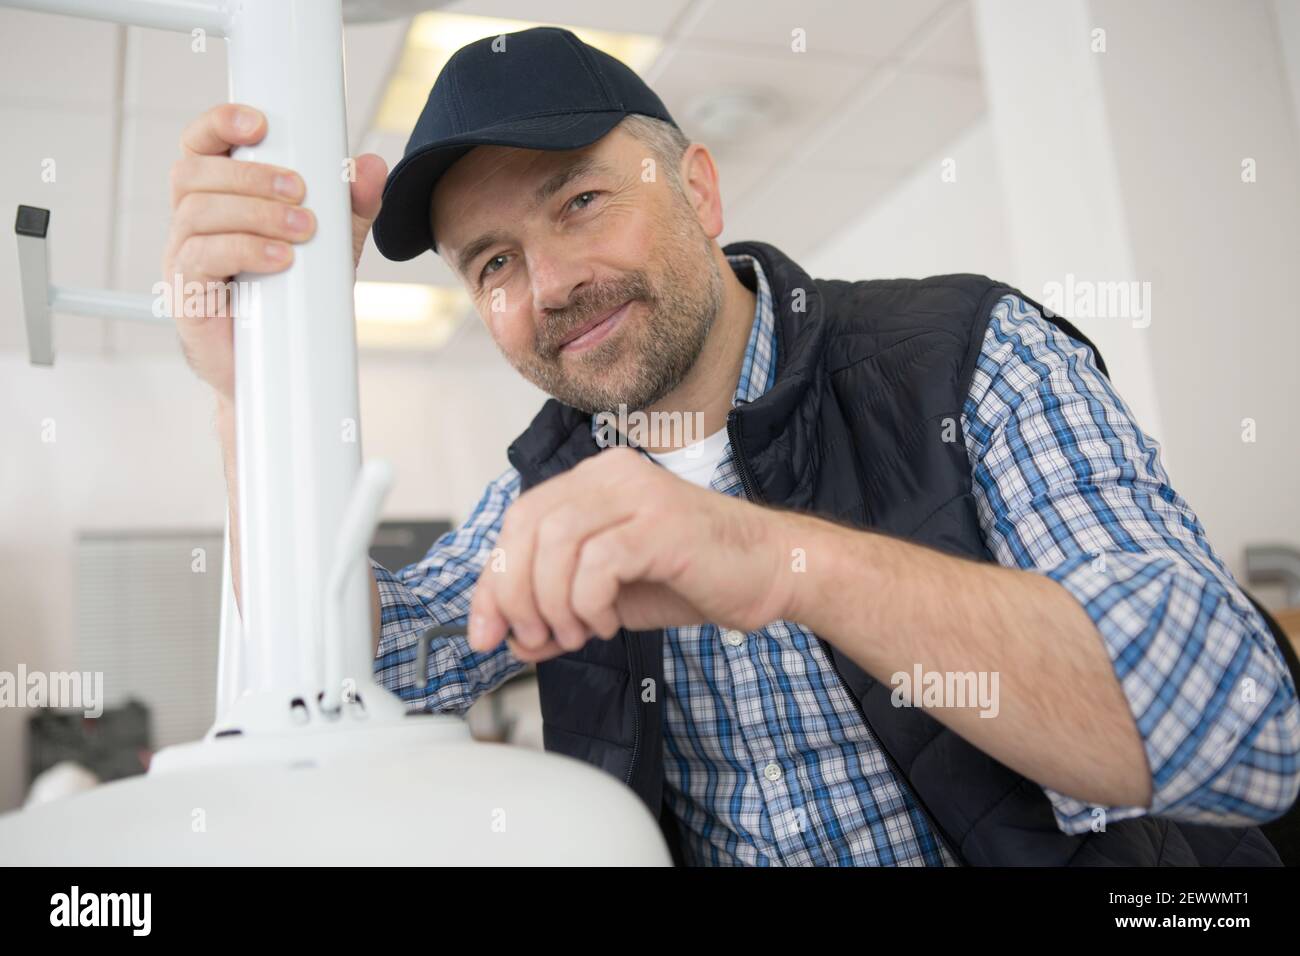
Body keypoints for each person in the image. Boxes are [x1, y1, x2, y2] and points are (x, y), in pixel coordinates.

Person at [162, 27, 1299, 866]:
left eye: (580, 202)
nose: (549, 284)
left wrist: (780, 560)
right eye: (493, 262)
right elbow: (365, 669)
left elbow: (1243, 720)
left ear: (697, 189)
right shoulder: (547, 479)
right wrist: (248, 393)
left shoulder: (964, 355)